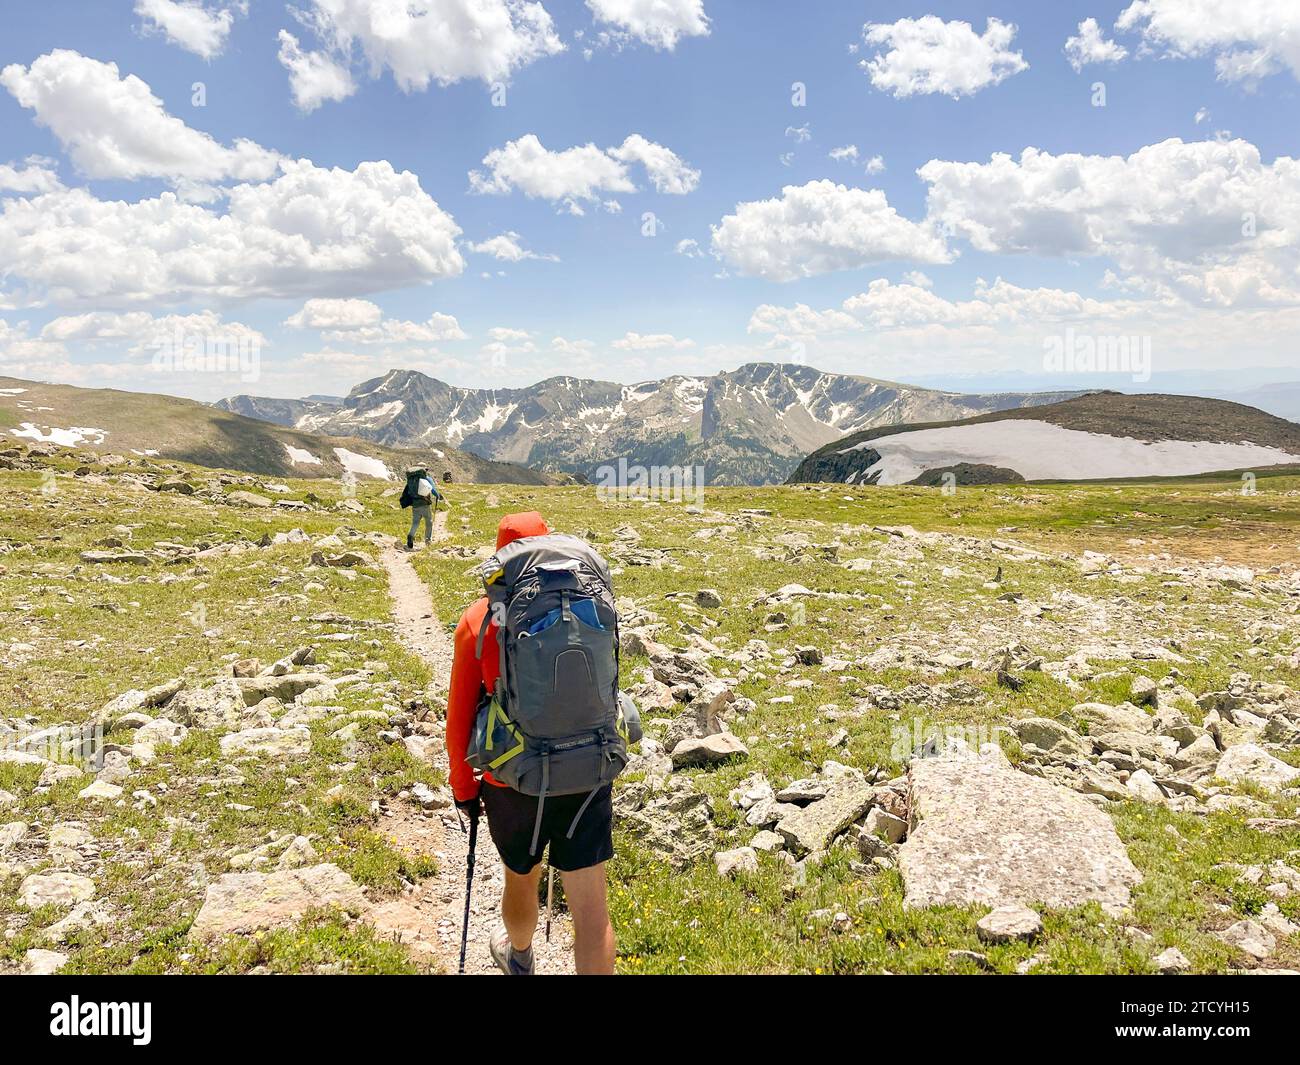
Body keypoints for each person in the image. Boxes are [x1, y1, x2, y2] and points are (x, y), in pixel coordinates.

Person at [445, 512, 617, 976]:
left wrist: (464, 787)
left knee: (521, 879)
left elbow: (458, 720)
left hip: (512, 779)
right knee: (591, 910)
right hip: (587, 767)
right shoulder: (586, 601)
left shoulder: (478, 620)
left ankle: (518, 955)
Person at [400, 467, 442, 550]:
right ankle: (428, 541)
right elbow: (432, 489)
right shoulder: (426, 478)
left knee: (415, 522)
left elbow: (407, 490)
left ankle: (411, 535)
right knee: (429, 522)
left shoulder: (411, 479)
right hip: (425, 504)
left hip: (415, 504)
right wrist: (438, 496)